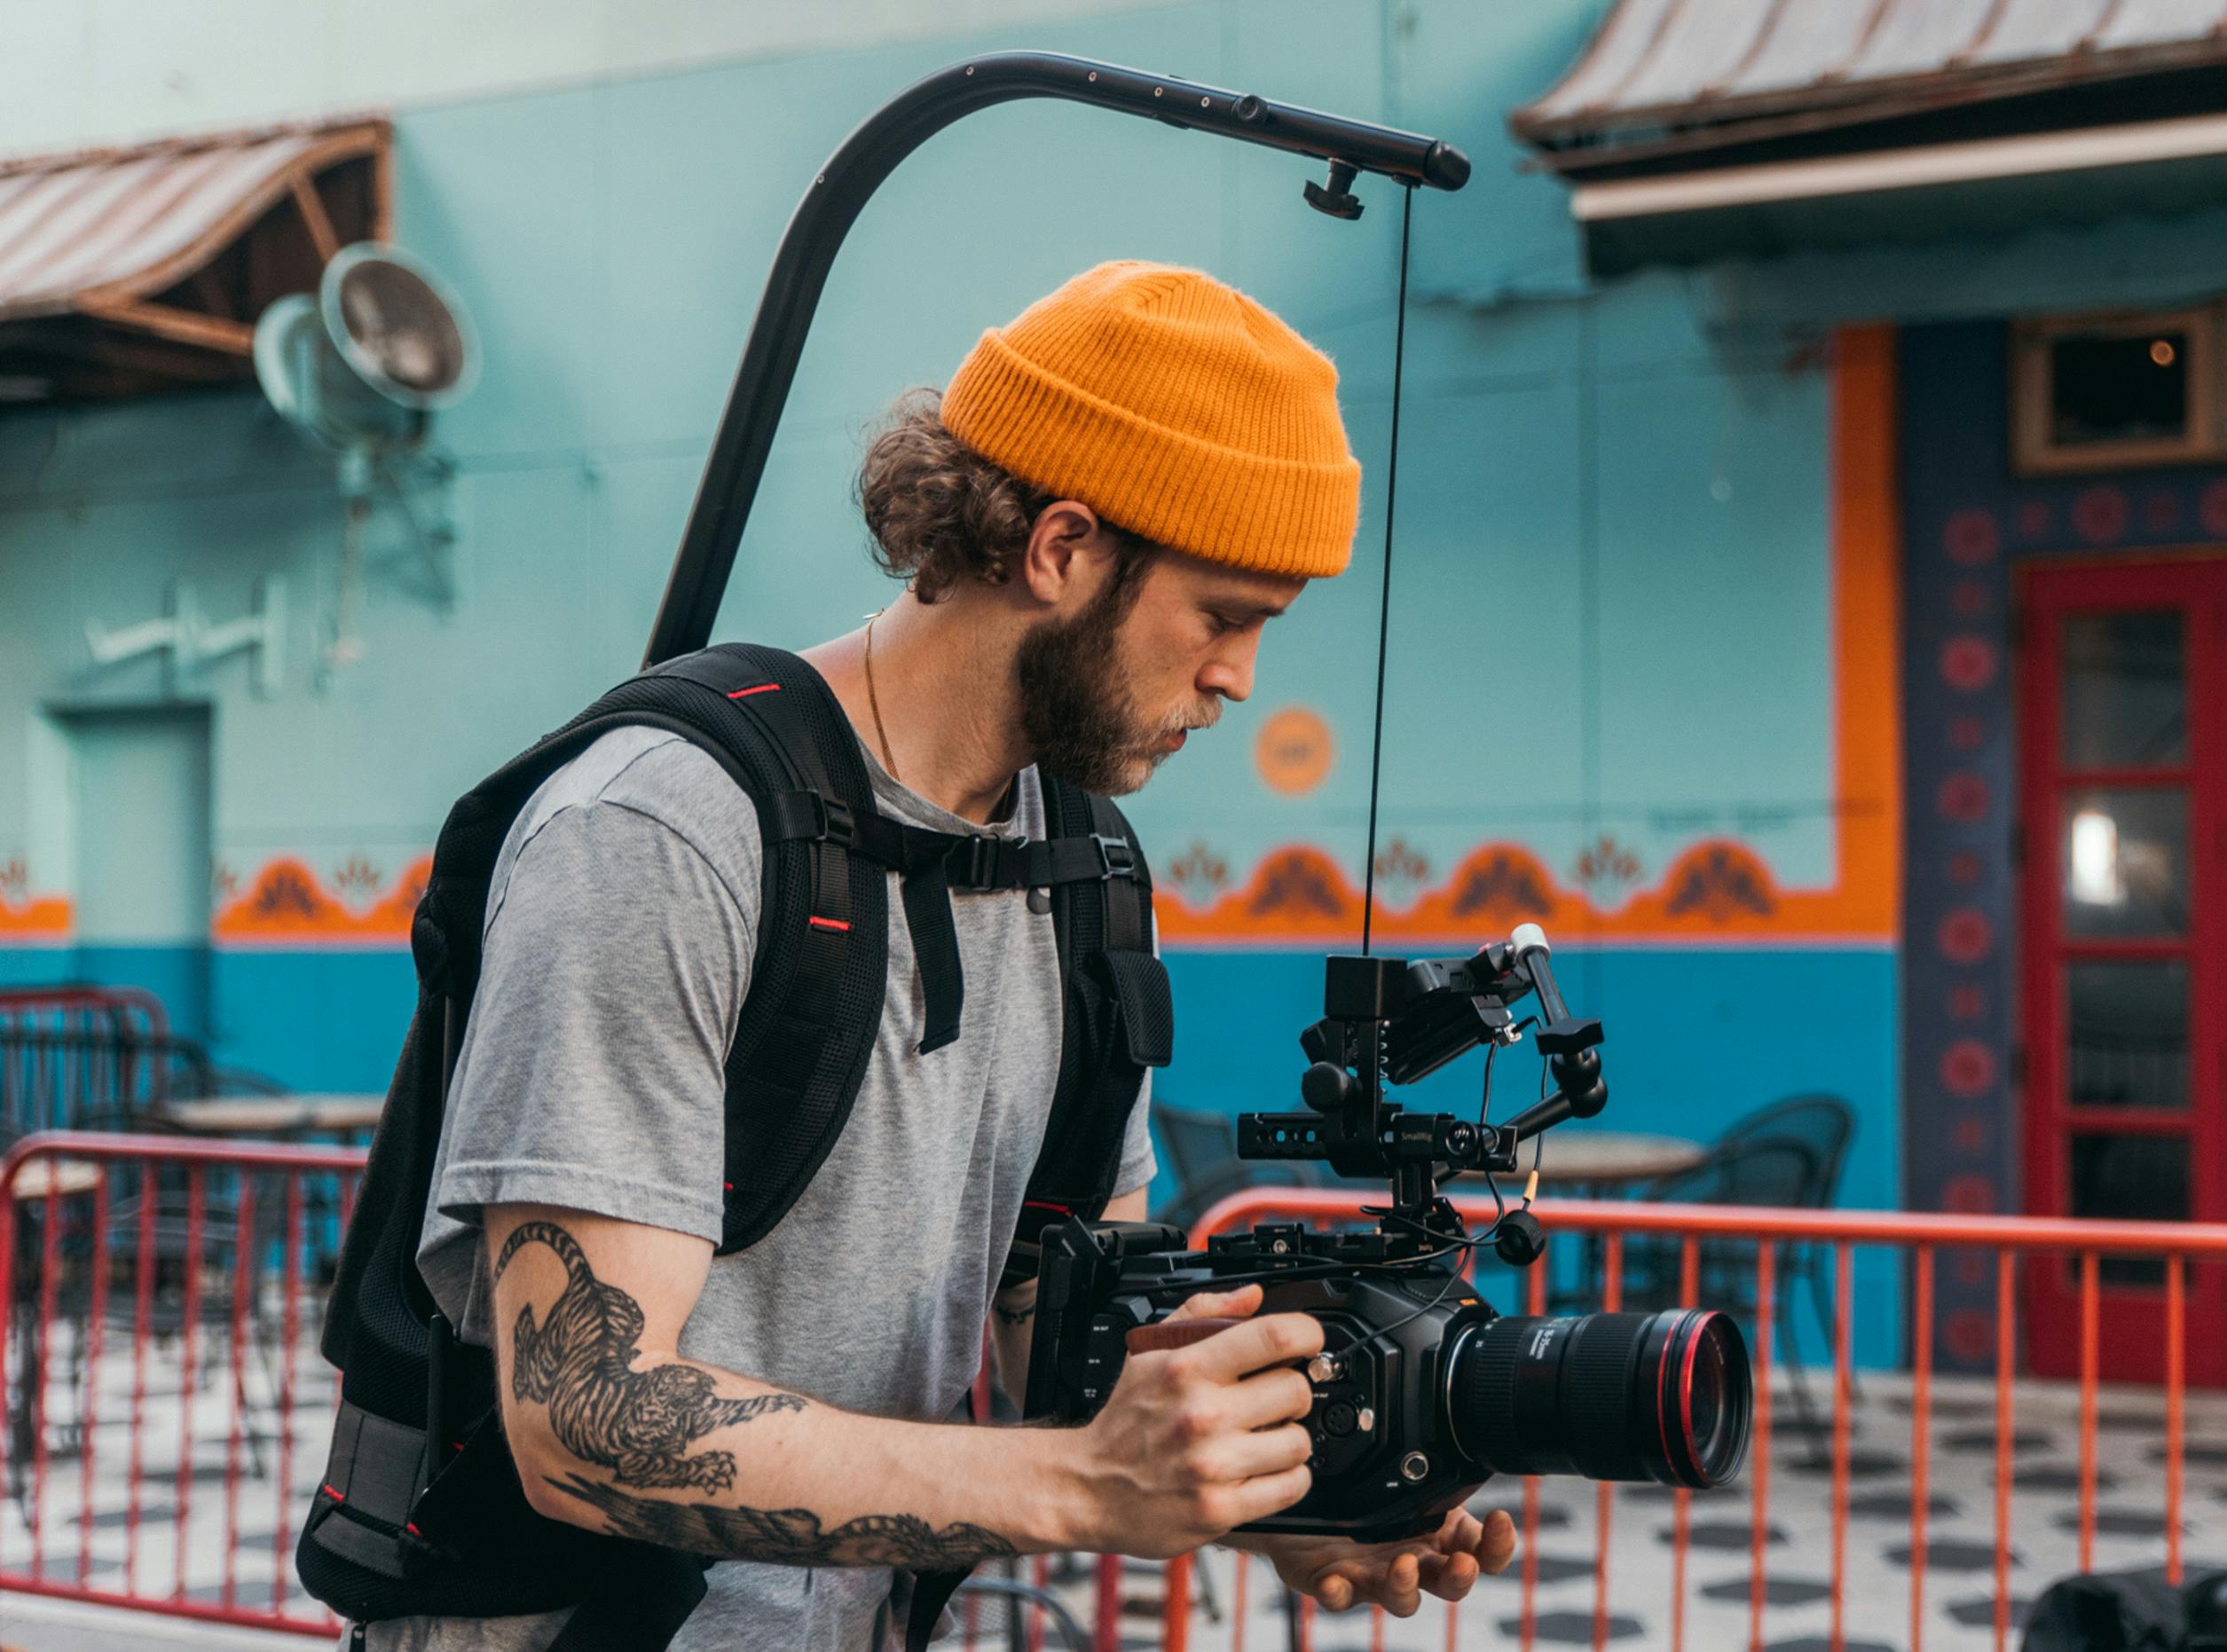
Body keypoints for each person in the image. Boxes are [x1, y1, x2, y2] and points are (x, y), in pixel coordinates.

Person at [374, 261, 1517, 1650]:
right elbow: (585, 1415)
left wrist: (1281, 1487)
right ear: (1060, 548)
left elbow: (1068, 1350)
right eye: (1224, 613)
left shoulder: (1083, 871)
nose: (1239, 679)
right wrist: (1084, 1484)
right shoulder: (665, 829)